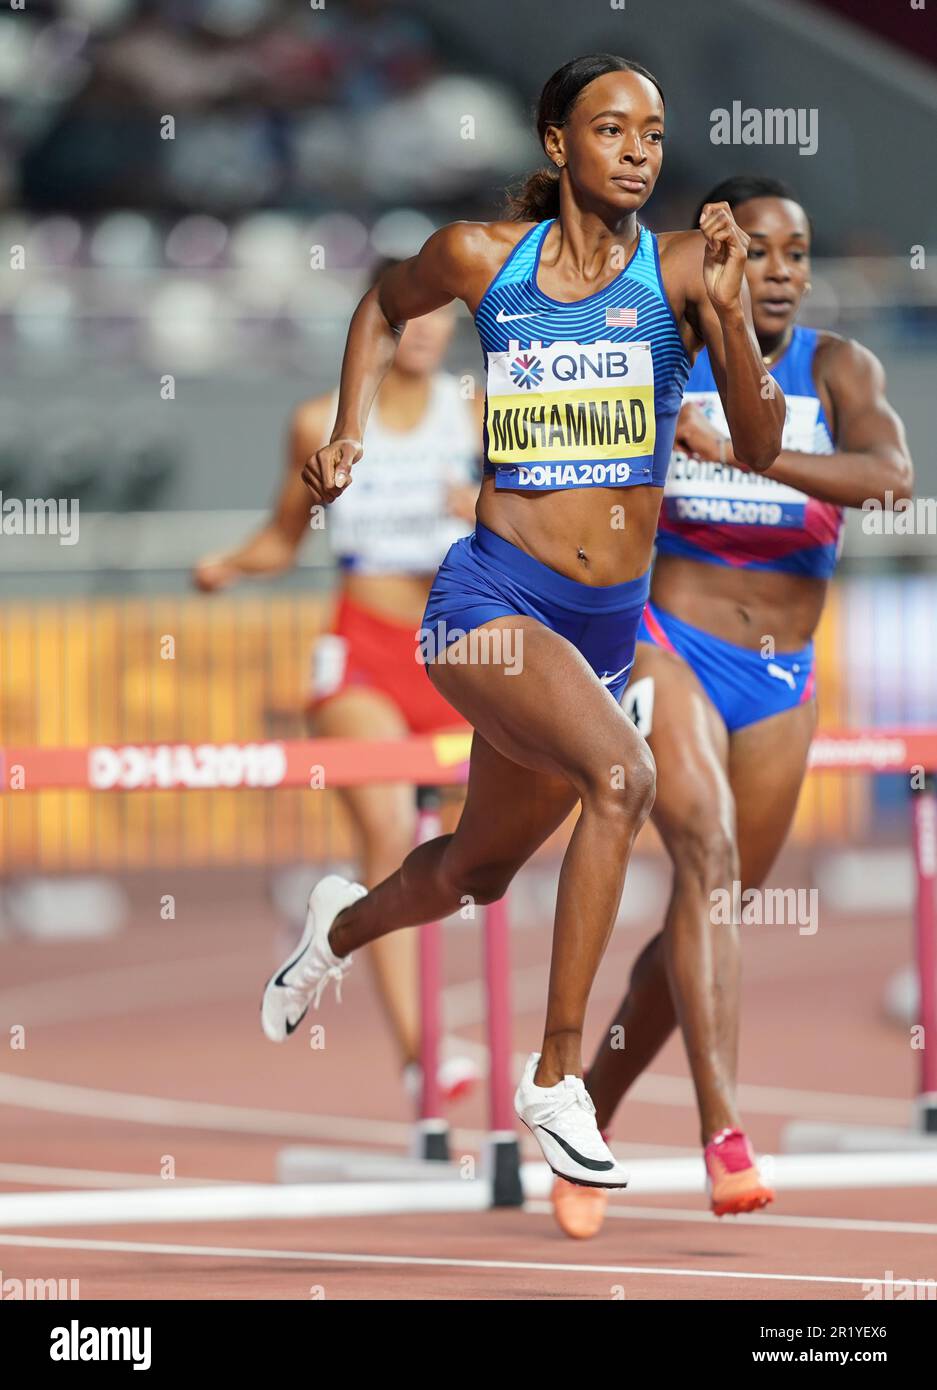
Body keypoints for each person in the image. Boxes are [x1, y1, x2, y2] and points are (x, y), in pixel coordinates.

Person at [260, 55, 785, 1191]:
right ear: (558, 146)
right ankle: (555, 1076)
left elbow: (752, 444)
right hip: (483, 607)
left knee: (472, 873)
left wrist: (735, 319)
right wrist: (348, 431)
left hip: (596, 632)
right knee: (623, 778)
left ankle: (335, 930)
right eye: (612, 130)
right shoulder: (480, 260)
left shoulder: (688, 270)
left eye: (653, 131)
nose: (640, 150)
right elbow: (377, 303)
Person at [552, 175, 913, 1234]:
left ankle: (590, 1114)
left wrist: (746, 452)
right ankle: (723, 1137)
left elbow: (889, 477)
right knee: (703, 856)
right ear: (717, 259)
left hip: (782, 676)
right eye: (759, 252)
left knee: (700, 926)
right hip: (669, 644)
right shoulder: (667, 362)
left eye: (796, 254)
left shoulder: (839, 367)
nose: (782, 274)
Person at [195, 266, 484, 1107]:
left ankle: (332, 916)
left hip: (458, 648)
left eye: (441, 318)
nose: (427, 332)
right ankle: (422, 1058)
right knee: (391, 833)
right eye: (408, 319)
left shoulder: (471, 415)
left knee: (474, 846)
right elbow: (284, 539)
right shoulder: (316, 423)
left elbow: (531, 525)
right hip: (361, 651)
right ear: (375, 329)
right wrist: (228, 568)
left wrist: (484, 508)